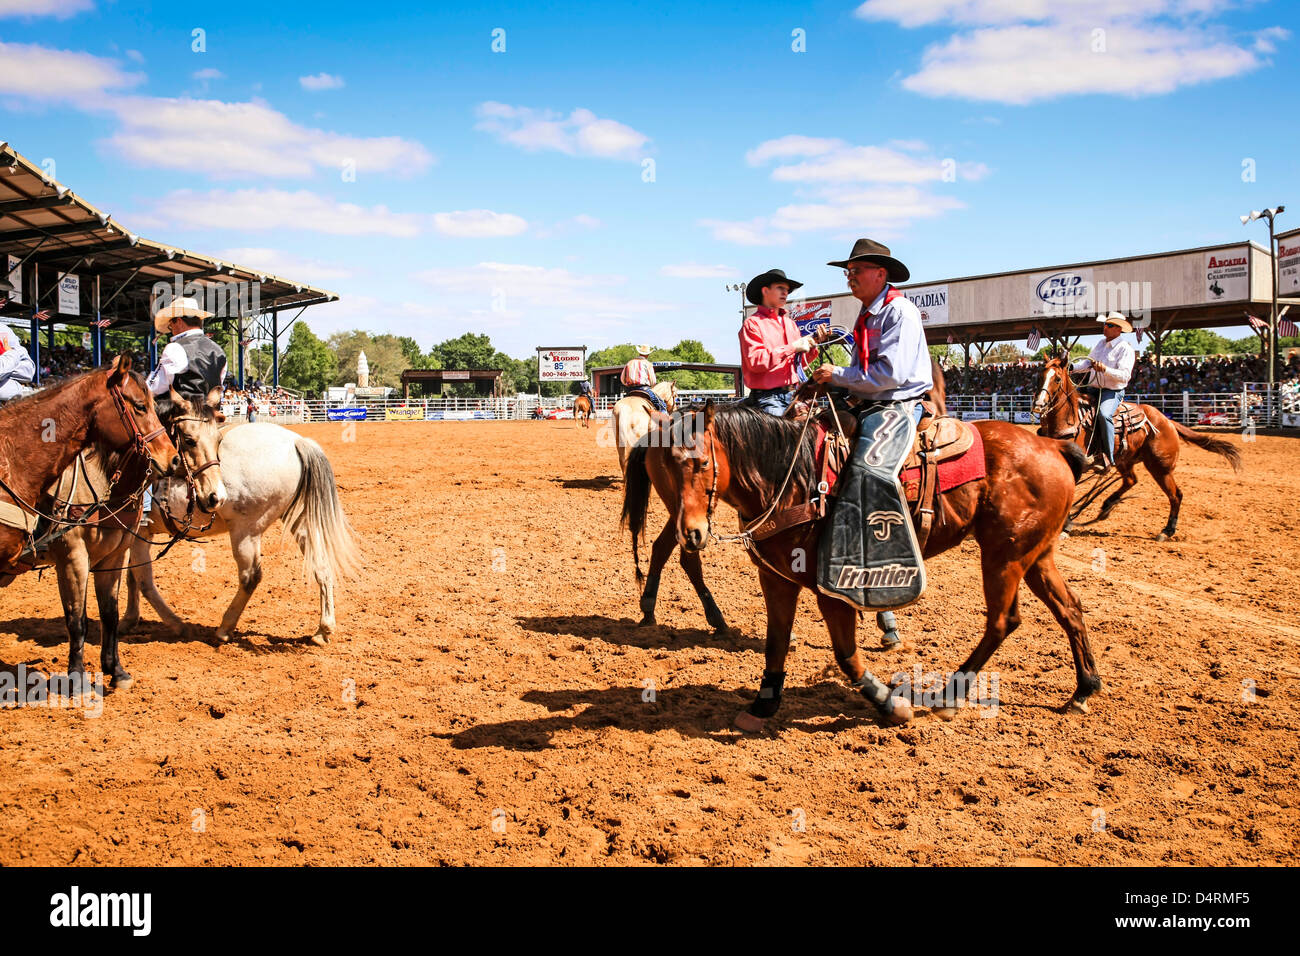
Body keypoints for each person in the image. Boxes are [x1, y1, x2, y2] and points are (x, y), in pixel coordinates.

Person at [810, 238, 932, 612]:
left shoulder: (900, 312)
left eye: (856, 271)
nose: (850, 278)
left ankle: (884, 565)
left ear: (881, 274)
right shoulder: (869, 313)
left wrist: (838, 374)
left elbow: (890, 375)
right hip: (870, 400)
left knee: (869, 469)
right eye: (848, 272)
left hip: (897, 403)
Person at [738, 268, 822, 416]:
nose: (786, 293)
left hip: (794, 395)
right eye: (780, 288)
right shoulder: (752, 324)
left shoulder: (790, 324)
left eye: (787, 290)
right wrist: (793, 347)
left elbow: (798, 364)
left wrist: (813, 345)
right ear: (765, 291)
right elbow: (757, 362)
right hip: (767, 398)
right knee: (780, 437)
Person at [1074, 312, 1135, 474]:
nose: (1105, 328)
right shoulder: (1100, 343)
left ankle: (1108, 457)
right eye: (1105, 325)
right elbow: (1088, 363)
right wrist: (1071, 368)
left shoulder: (1125, 349)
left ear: (1118, 329)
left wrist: (1105, 370)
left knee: (1104, 414)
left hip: (1112, 391)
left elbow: (1125, 376)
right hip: (1093, 388)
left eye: (1109, 325)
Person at [146, 296, 228, 416]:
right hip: (210, 417)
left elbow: (153, 388)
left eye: (170, 325)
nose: (171, 329)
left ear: (178, 321)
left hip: (184, 418)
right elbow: (218, 384)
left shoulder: (175, 348)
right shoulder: (219, 350)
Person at [0, 276, 37, 402]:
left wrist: (6, 366)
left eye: (5, 300)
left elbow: (29, 372)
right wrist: (13, 354)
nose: (4, 303)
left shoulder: (4, 330)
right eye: (1, 298)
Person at [621, 344, 666, 413]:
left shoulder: (629, 363)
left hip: (630, 390)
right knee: (662, 405)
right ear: (648, 355)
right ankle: (665, 422)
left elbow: (622, 379)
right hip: (644, 389)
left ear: (639, 352)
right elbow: (653, 381)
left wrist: (628, 384)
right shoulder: (648, 364)